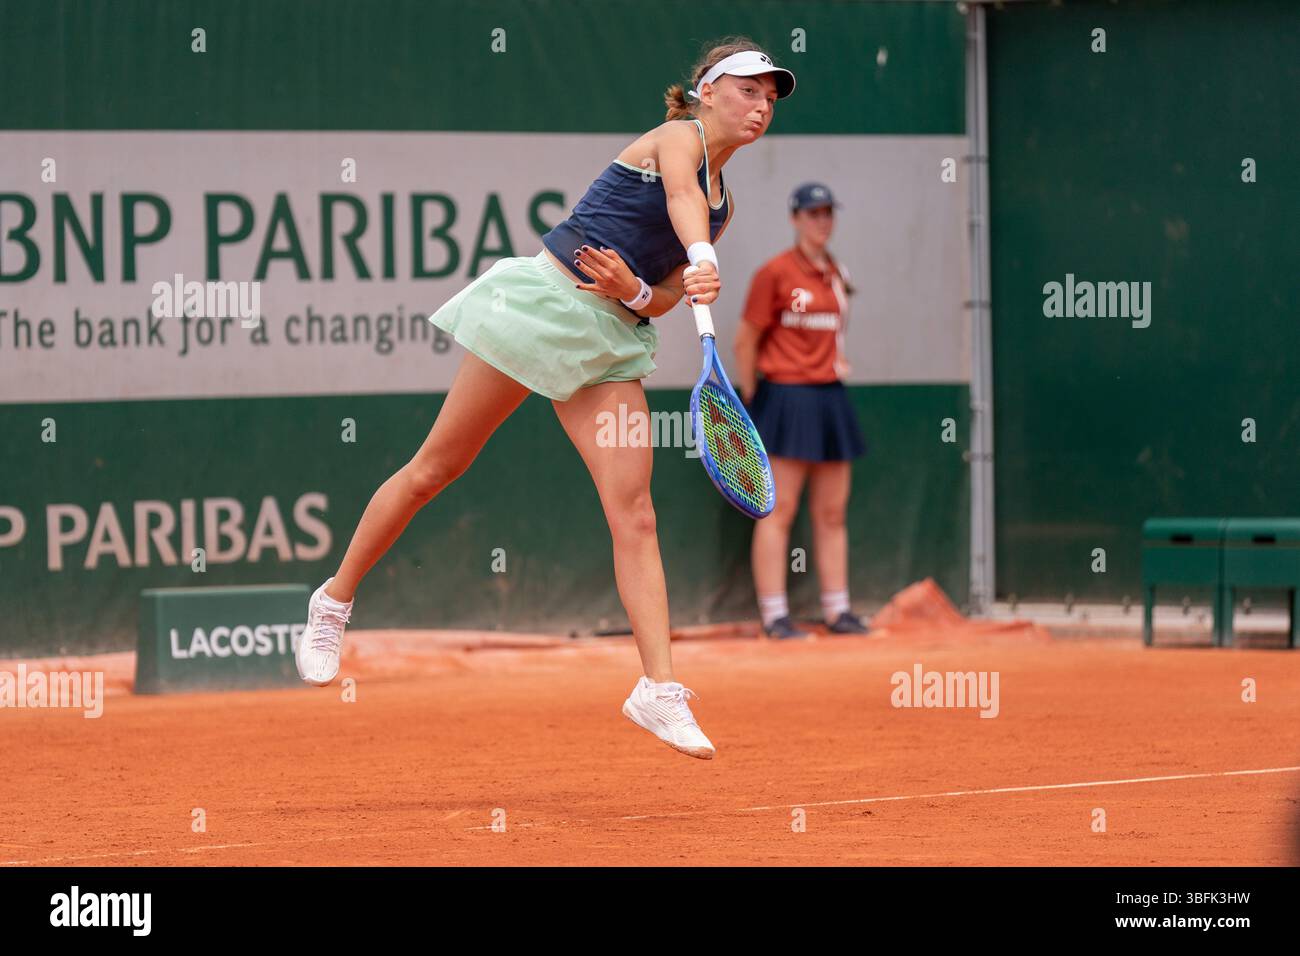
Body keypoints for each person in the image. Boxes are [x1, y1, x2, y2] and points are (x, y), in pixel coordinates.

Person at [293, 38, 796, 760]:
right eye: (748, 90)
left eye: (770, 97)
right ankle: (334, 599)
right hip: (541, 308)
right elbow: (681, 198)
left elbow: (658, 297)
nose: (760, 105)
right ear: (707, 91)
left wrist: (637, 291)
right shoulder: (674, 140)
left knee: (636, 513)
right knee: (437, 468)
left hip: (607, 343)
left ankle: (657, 688)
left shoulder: (725, 206)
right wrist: (705, 260)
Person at [734, 182, 869, 639]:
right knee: (779, 510)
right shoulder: (773, 273)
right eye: (812, 214)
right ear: (795, 219)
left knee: (832, 513)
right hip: (785, 398)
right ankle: (774, 615)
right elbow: (745, 341)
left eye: (828, 213)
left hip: (830, 396)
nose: (822, 221)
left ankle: (838, 611)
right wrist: (753, 402)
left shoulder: (837, 272)